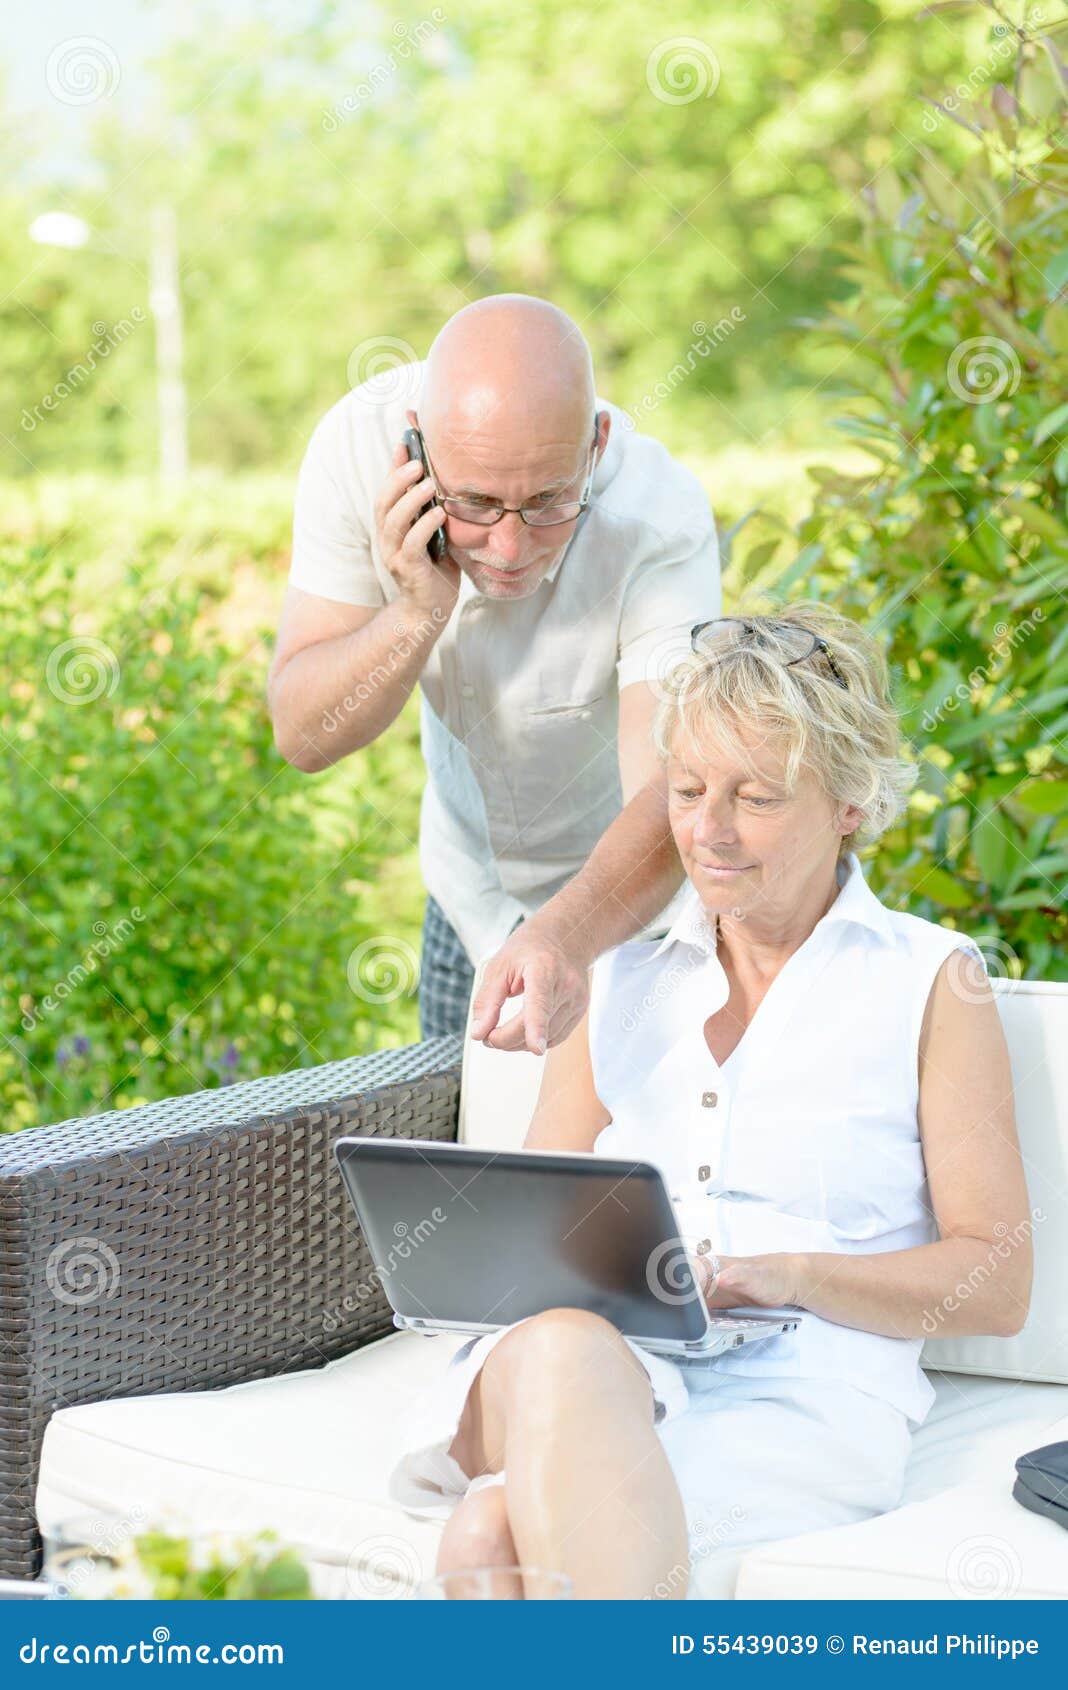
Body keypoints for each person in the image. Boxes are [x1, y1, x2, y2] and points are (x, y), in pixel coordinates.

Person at [385, 604, 1032, 1600]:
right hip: (578, 1368)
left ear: (850, 800)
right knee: (561, 1347)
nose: (706, 831)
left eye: (755, 797)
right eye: (685, 790)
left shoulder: (930, 981)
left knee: (486, 1539)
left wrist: (793, 1274)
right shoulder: (619, 980)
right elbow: (527, 1231)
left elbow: (994, 1278)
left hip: (798, 1397)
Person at [268, 293, 718, 1047]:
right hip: (468, 894)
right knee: (464, 1158)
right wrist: (415, 613)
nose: (509, 549)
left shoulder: (661, 519)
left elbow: (669, 797)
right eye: (474, 504)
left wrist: (564, 938)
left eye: (547, 502)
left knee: (615, 1162)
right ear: (416, 450)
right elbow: (304, 737)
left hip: (631, 907)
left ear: (596, 447)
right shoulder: (352, 449)